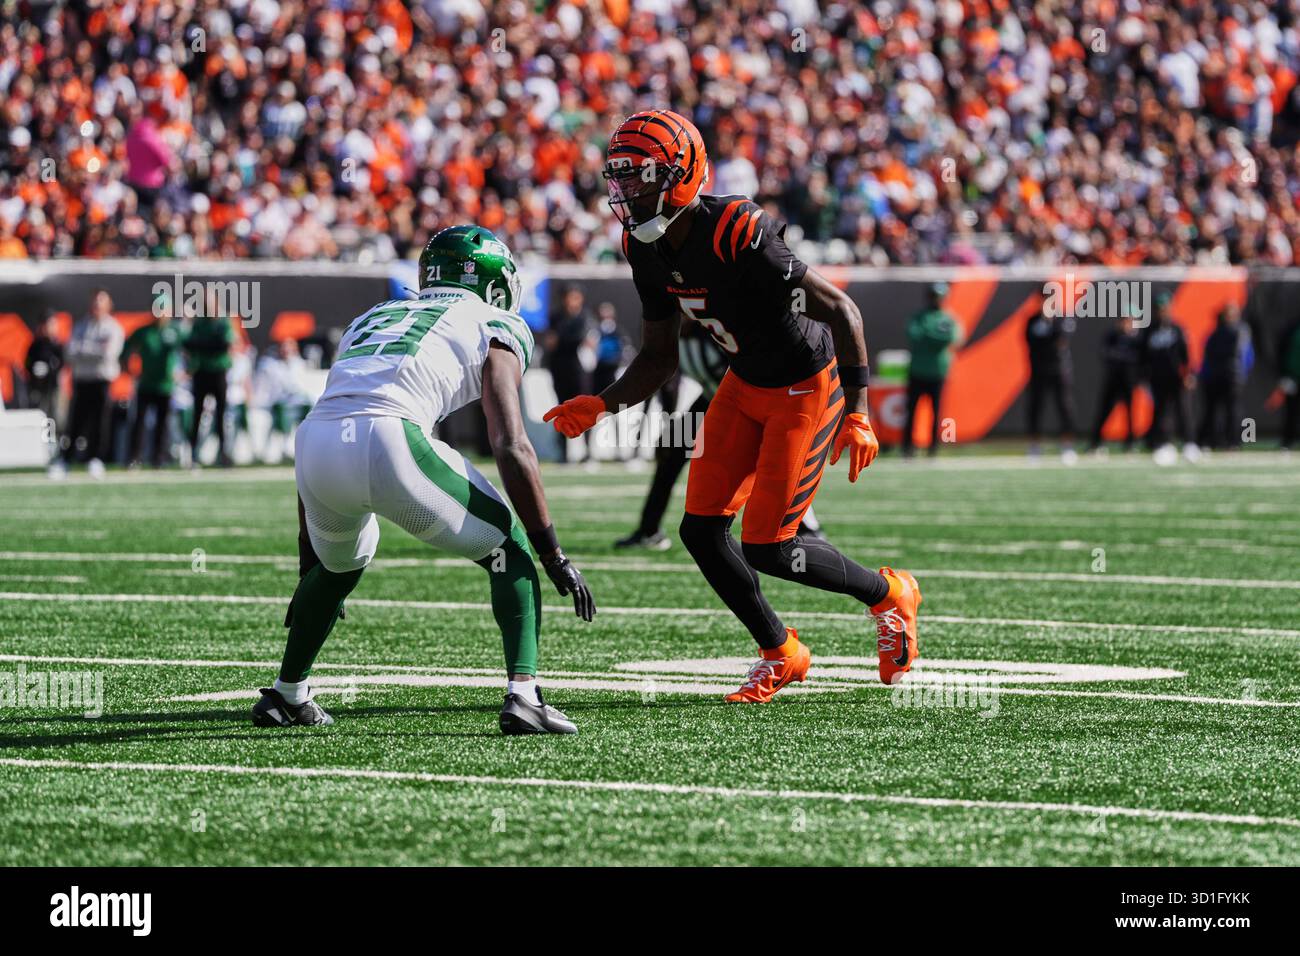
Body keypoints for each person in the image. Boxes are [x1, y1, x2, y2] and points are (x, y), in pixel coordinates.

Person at [546, 110, 920, 701]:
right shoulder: (641, 246)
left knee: (771, 546)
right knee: (701, 530)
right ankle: (782, 653)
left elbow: (843, 312)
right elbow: (659, 356)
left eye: (641, 177)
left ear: (683, 173)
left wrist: (859, 410)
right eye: (620, 178)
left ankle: (889, 594)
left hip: (805, 386)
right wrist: (603, 403)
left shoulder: (736, 229)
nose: (628, 192)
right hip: (742, 384)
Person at [254, 225, 594, 734]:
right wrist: (553, 553)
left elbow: (334, 412)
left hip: (315, 446)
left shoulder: (371, 317)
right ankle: (524, 696)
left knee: (338, 568)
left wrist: (312, 569)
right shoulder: (494, 319)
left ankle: (287, 694)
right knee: (512, 552)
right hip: (390, 437)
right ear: (493, 281)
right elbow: (510, 442)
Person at [615, 321, 825, 550]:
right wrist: (669, 425)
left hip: (751, 402)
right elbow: (667, 380)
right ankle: (649, 530)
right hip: (710, 399)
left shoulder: (715, 330)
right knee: (671, 453)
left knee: (769, 464)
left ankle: (808, 528)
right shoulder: (666, 331)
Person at [52, 289, 123, 479]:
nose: (97, 306)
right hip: (81, 380)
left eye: (101, 302)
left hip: (101, 380)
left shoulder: (113, 328)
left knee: (100, 421)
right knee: (75, 422)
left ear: (109, 305)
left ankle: (96, 459)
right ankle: (65, 460)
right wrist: (94, 350)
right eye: (94, 302)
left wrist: (84, 350)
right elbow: (70, 353)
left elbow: (109, 354)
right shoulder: (81, 326)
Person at [902, 281, 963, 457]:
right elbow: (914, 336)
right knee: (911, 411)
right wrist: (936, 338)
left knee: (937, 412)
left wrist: (929, 336)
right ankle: (908, 448)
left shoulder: (949, 318)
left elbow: (952, 339)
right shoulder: (919, 316)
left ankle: (933, 448)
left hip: (938, 372)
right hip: (917, 371)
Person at [1141, 292, 1199, 461]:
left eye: (1165, 308)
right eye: (1159, 308)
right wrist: (1144, 378)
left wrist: (1189, 374)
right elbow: (1143, 357)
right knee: (1161, 412)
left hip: (1177, 377)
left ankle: (1189, 444)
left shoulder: (1177, 329)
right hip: (1157, 378)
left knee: (1184, 410)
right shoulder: (1149, 331)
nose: (1162, 311)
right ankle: (1165, 443)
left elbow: (1186, 354)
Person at [123, 305, 182, 467]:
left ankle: (159, 458)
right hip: (146, 384)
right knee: (139, 423)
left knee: (163, 425)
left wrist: (185, 371)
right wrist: (128, 369)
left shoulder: (175, 331)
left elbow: (191, 348)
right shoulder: (144, 332)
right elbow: (126, 349)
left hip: (166, 386)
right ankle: (135, 458)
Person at [544, 285, 594, 461]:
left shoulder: (585, 317)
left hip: (579, 371)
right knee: (562, 409)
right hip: (560, 369)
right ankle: (564, 454)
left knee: (584, 410)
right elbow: (551, 341)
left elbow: (578, 338)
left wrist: (561, 340)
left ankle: (588, 452)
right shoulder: (556, 317)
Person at [184, 299, 234, 467]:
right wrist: (209, 345)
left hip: (218, 373)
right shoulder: (199, 324)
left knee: (221, 415)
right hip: (202, 372)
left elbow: (223, 344)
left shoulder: (223, 323)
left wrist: (204, 346)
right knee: (197, 414)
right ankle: (192, 454)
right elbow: (189, 344)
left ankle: (223, 454)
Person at [1086, 311, 1143, 453]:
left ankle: (1130, 443)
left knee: (1130, 413)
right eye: (1125, 320)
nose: (1127, 323)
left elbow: (1141, 359)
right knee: (1104, 411)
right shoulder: (1112, 336)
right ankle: (1095, 441)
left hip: (1129, 381)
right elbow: (1105, 353)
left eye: (1130, 320)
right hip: (1113, 380)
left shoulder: (1137, 339)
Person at [1024, 311, 1077, 460]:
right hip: (1038, 370)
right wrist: (1046, 338)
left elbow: (1061, 340)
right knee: (1035, 408)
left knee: (1065, 407)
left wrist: (1048, 329)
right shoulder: (1032, 320)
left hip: (1059, 370)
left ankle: (1067, 445)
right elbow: (1030, 342)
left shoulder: (1062, 319)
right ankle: (1034, 446)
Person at [1198, 303, 1251, 450]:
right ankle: (1212, 441)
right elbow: (1207, 357)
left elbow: (1245, 357)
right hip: (1215, 377)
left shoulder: (1241, 331)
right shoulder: (1215, 333)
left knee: (1233, 410)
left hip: (1232, 377)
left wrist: (1240, 374)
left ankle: (1233, 442)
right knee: (1212, 411)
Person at [24, 311, 64, 422]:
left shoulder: (57, 345)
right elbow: (27, 362)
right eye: (45, 325)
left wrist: (51, 368)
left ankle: (54, 436)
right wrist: (34, 369)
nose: (47, 328)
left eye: (51, 324)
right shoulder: (35, 345)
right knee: (36, 411)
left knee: (53, 413)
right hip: (36, 386)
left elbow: (62, 364)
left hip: (52, 385)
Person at [1274, 316, 1300, 450]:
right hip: (1292, 376)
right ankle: (1288, 441)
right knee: (1291, 411)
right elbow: (1281, 352)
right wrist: (1283, 375)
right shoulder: (1292, 329)